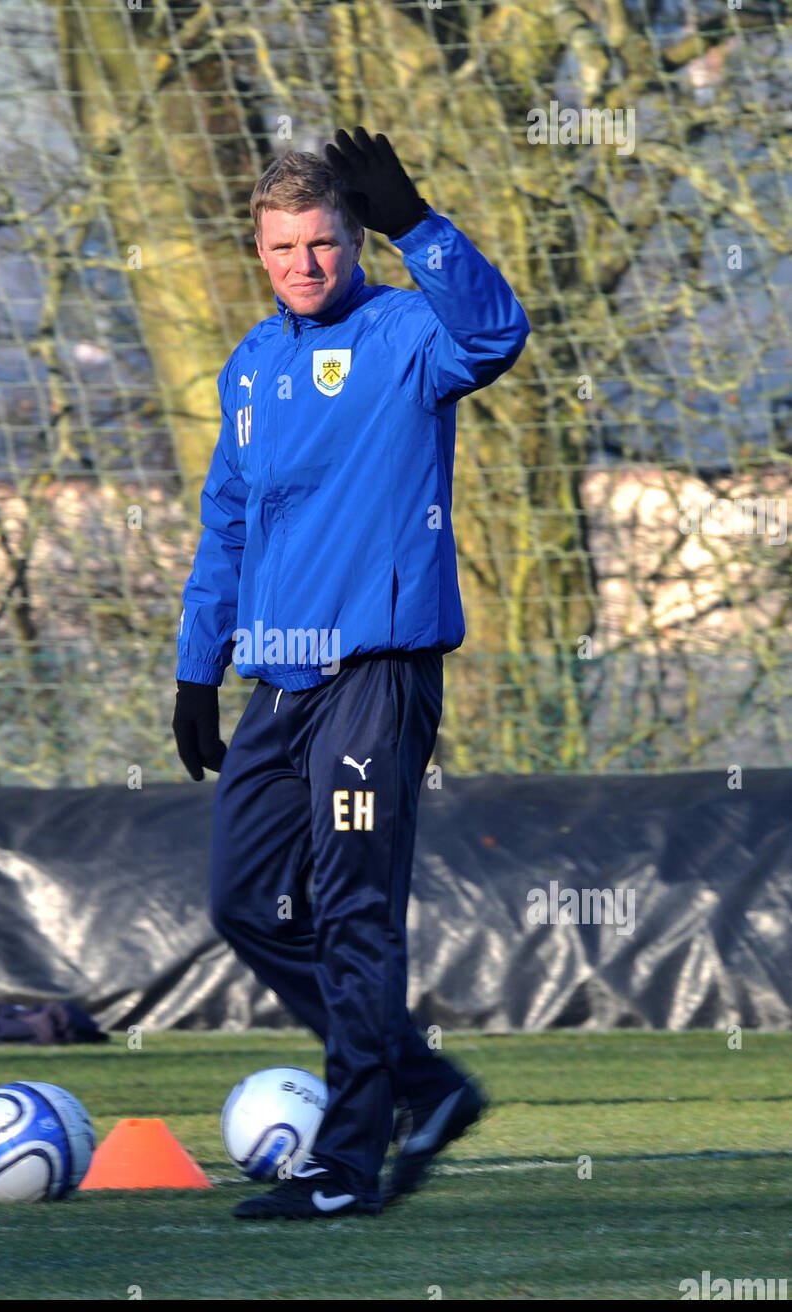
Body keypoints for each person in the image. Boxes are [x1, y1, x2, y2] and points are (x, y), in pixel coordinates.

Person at [173, 128, 530, 1219]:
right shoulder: (250, 363)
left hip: (377, 675)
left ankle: (344, 1162)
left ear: (350, 239)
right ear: (260, 248)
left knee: (353, 910)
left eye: (322, 242)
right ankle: (423, 1086)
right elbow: (229, 521)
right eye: (282, 247)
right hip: (278, 684)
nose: (303, 265)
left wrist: (420, 224)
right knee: (243, 901)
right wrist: (199, 665)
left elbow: (498, 332)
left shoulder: (407, 334)